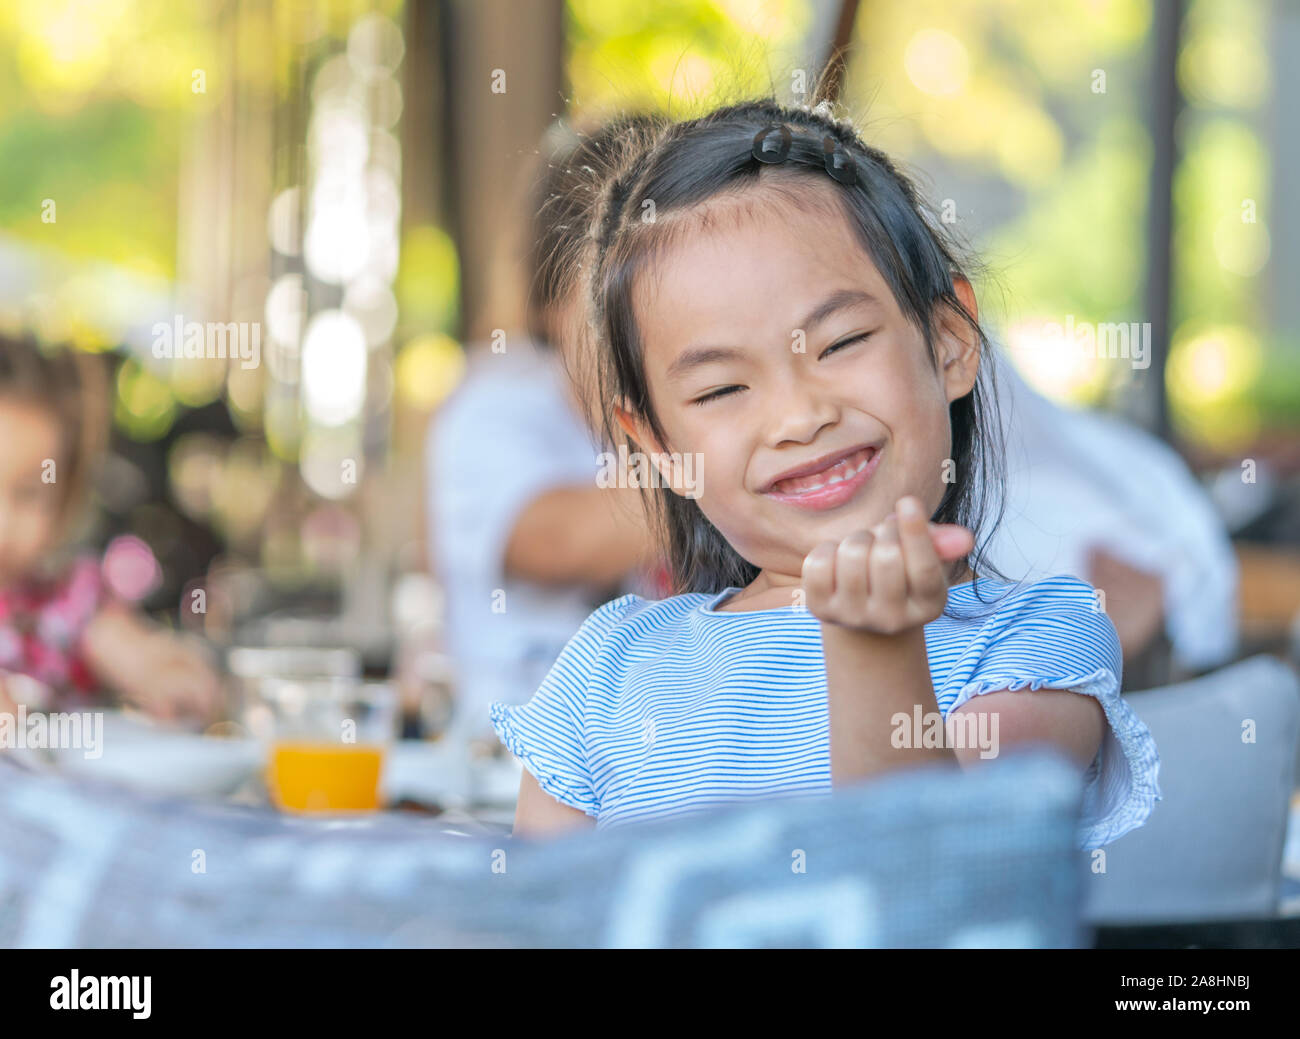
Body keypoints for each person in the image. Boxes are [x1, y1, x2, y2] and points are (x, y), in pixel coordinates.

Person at [491, 97, 1161, 851]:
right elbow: (538, 918)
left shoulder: (1032, 642)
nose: (799, 416)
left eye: (840, 343)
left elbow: (935, 887)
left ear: (948, 343)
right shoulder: (603, 673)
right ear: (652, 445)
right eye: (720, 389)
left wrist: (874, 650)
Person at [425, 115, 668, 746]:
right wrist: (745, 463)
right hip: (508, 758)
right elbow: (558, 542)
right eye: (616, 291)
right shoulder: (495, 402)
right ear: (550, 300)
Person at [0, 333, 221, 724]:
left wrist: (167, 673)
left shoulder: (71, 601)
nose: (4, 522)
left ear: (65, 497)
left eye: (29, 494)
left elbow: (138, 655)